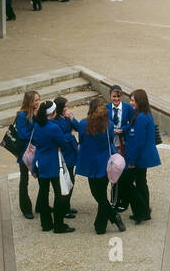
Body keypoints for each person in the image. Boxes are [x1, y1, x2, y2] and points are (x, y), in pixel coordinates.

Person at [73, 96, 126, 234]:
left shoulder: (83, 124)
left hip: (90, 163)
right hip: (105, 163)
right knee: (102, 194)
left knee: (98, 195)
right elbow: (110, 141)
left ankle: (104, 223)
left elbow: (82, 140)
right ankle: (104, 223)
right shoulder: (108, 124)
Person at [31, 98, 76, 233]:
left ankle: (46, 224)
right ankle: (58, 225)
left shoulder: (37, 125)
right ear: (52, 113)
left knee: (44, 194)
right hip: (53, 164)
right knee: (60, 194)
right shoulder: (54, 127)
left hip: (40, 162)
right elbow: (63, 144)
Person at [122, 88, 161, 223]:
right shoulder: (144, 114)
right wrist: (124, 129)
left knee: (129, 183)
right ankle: (144, 211)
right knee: (141, 183)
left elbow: (138, 142)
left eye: (133, 100)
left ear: (139, 101)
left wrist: (132, 161)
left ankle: (141, 211)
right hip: (143, 157)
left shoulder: (140, 117)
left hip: (140, 158)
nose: (131, 103)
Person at [13, 90, 41, 219]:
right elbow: (23, 135)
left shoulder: (38, 113)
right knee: (24, 180)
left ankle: (41, 205)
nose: (38, 102)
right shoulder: (21, 115)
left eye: (38, 99)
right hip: (26, 152)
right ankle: (25, 208)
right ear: (29, 101)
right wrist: (35, 118)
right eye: (35, 100)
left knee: (43, 178)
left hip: (38, 150)